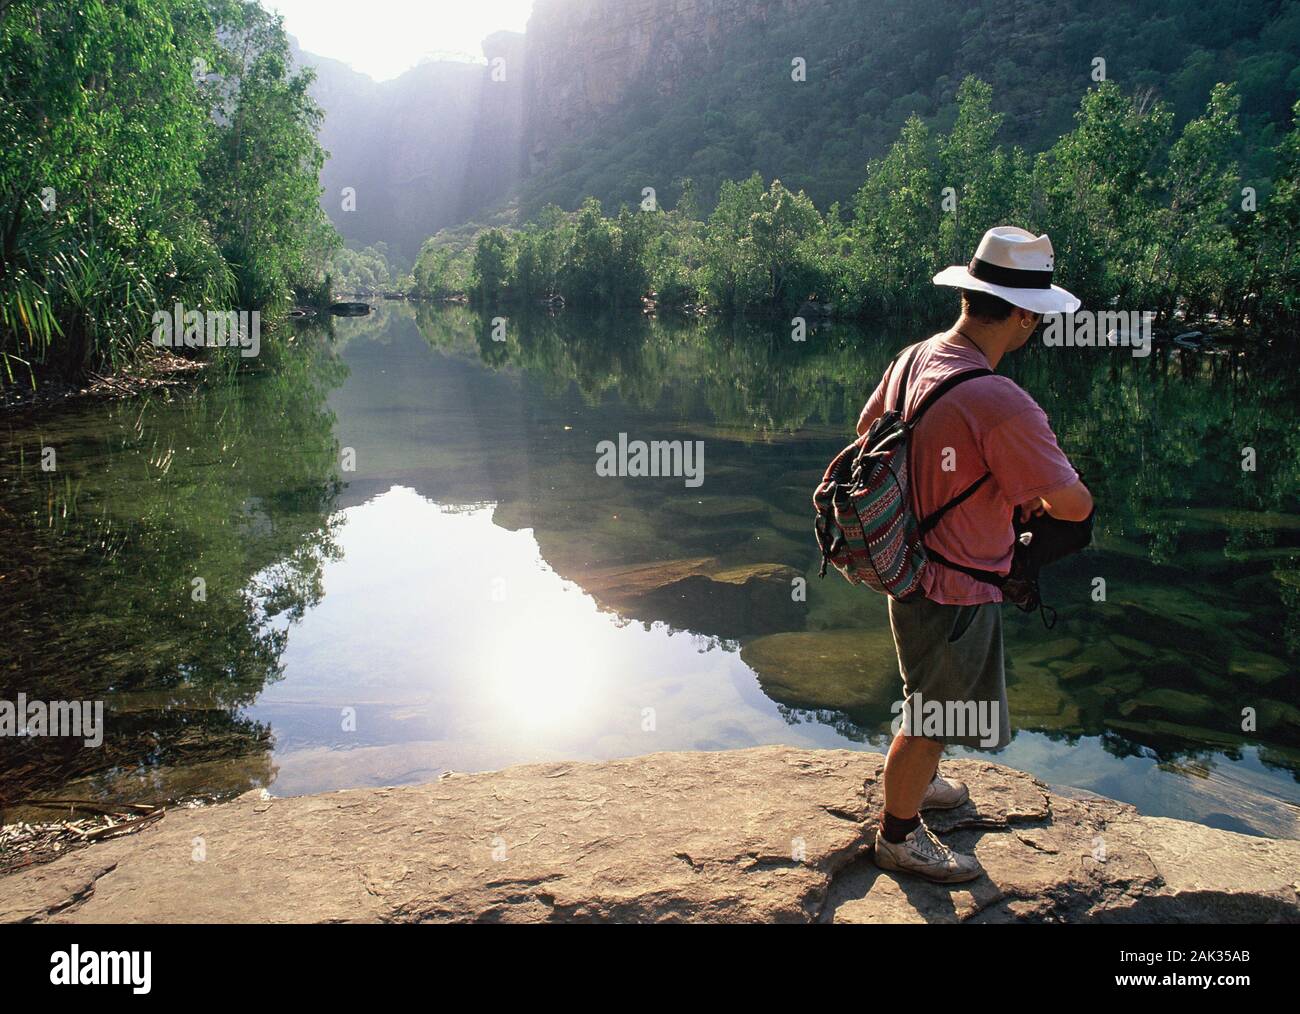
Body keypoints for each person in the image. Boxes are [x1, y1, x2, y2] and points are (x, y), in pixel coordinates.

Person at [855, 226, 1093, 883]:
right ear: (1021, 315)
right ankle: (898, 837)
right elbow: (1073, 505)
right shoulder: (1000, 401)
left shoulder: (917, 357)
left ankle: (919, 782)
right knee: (937, 711)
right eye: (1037, 316)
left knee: (925, 691)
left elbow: (868, 433)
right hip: (957, 584)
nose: (1037, 326)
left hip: (902, 563)